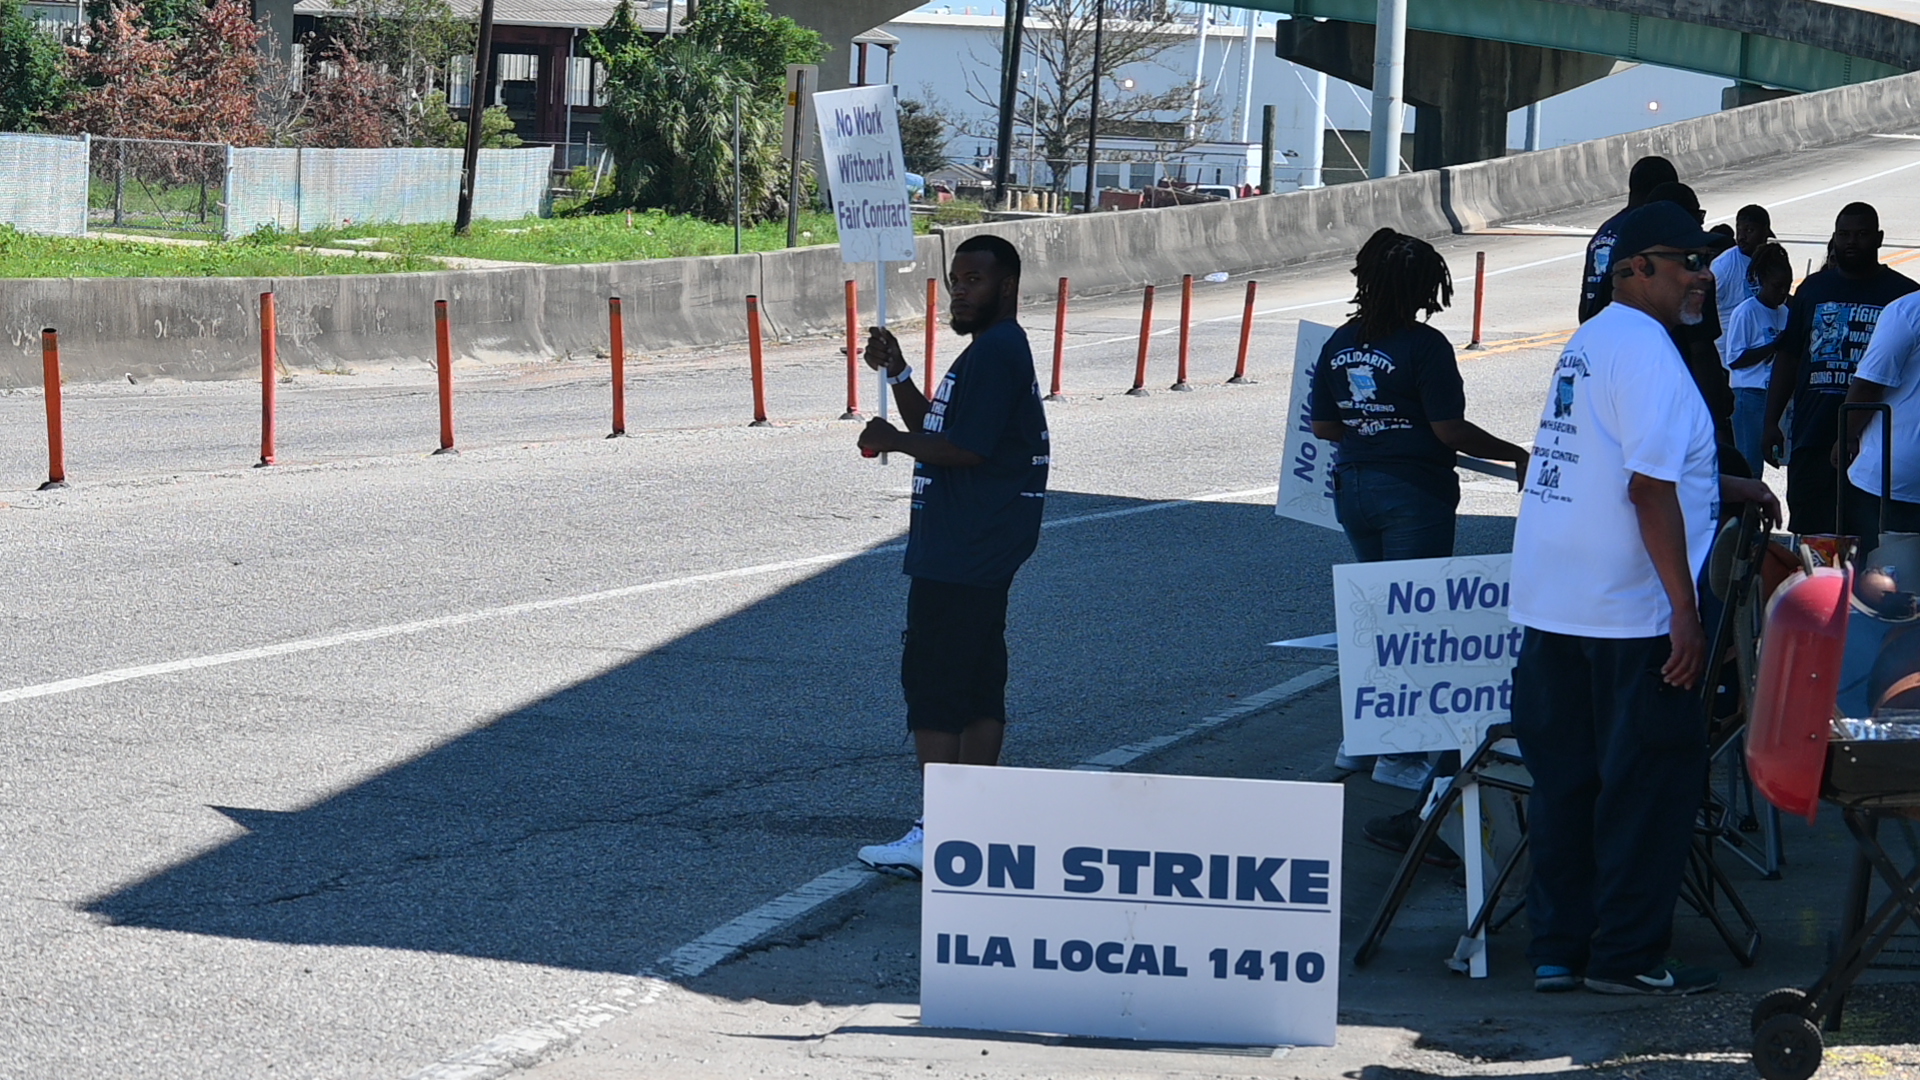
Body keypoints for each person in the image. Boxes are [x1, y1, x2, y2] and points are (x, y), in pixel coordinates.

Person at [1510, 201, 1778, 997]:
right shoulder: (1653, 356)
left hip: (1556, 608)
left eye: (1704, 259)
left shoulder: (1590, 344)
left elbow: (1620, 462)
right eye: (1685, 260)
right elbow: (1649, 489)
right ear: (1635, 269)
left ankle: (1559, 950)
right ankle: (1626, 957)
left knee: (1566, 787)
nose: (1703, 274)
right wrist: (1685, 616)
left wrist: (1726, 484)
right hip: (1631, 615)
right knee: (1648, 787)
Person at [1308, 228, 1531, 856]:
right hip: (1413, 492)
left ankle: (1361, 739)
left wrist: (1370, 425)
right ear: (1422, 289)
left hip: (1353, 487)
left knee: (1377, 619)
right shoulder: (1425, 346)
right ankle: (1400, 756)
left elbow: (1324, 423)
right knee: (1417, 626)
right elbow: (1449, 428)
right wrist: (1515, 452)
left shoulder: (1340, 342)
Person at [852, 234, 1050, 877]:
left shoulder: (997, 351)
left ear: (1007, 288)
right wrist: (901, 374)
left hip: (966, 544)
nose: (960, 292)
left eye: (973, 281)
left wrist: (892, 439)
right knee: (976, 683)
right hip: (976, 542)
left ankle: (938, 831)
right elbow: (941, 427)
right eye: (955, 281)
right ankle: (972, 822)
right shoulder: (989, 352)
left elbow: (966, 448)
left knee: (936, 686)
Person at [1765, 203, 1919, 534]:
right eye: (1844, 234)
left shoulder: (1904, 295)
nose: (1851, 242)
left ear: (1879, 239)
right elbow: (1790, 357)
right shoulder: (1812, 289)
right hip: (1813, 435)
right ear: (1833, 238)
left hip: (1872, 447)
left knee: (1868, 549)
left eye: (1862, 235)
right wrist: (1770, 421)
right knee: (1813, 544)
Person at [1838, 285, 1920, 555]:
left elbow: (1869, 386)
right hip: (1899, 476)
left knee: (1882, 583)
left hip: (1895, 479)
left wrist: (1846, 436)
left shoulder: (1907, 311)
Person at [1579, 155, 1679, 323]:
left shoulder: (1606, 230)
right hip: (1627, 326)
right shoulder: (1644, 231)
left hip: (1596, 326)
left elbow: (1587, 293)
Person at [1723, 243, 1794, 478]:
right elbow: (1735, 359)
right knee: (1750, 465)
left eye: (1787, 287)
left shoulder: (1785, 312)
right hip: (1749, 394)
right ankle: (1747, 513)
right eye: (1777, 287)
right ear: (1762, 280)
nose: (1782, 293)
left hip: (1774, 395)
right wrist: (1775, 345)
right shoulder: (1747, 312)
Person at [1711, 205, 1775, 345]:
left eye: (1749, 230)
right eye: (1739, 229)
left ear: (1765, 232)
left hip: (1761, 346)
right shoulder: (1723, 266)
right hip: (1730, 352)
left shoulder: (1772, 261)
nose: (1741, 237)